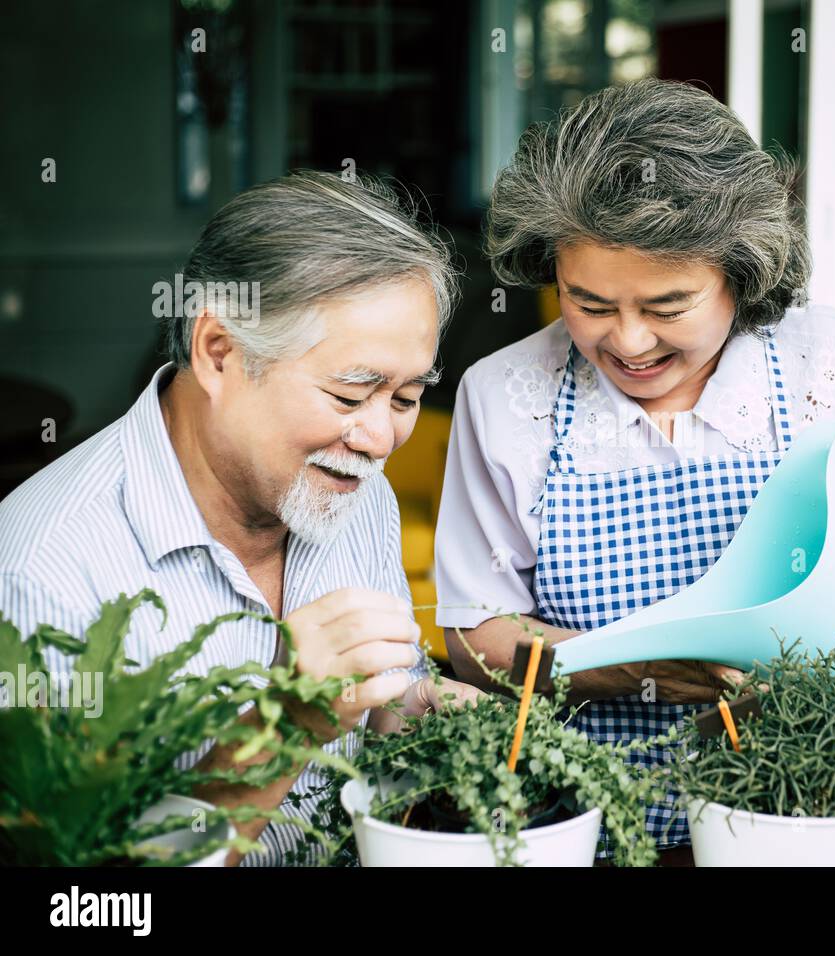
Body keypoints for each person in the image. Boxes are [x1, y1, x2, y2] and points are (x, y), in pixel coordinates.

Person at [434, 79, 835, 855]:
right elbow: (474, 642)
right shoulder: (506, 397)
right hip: (597, 828)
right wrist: (635, 667)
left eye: (668, 306)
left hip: (814, 816)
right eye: (592, 305)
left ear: (741, 275)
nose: (629, 343)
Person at [0, 170, 481, 865]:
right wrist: (283, 724)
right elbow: (90, 897)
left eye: (405, 398)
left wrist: (408, 714)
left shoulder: (357, 493)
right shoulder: (36, 573)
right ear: (219, 352)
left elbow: (375, 730)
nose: (379, 439)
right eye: (351, 394)